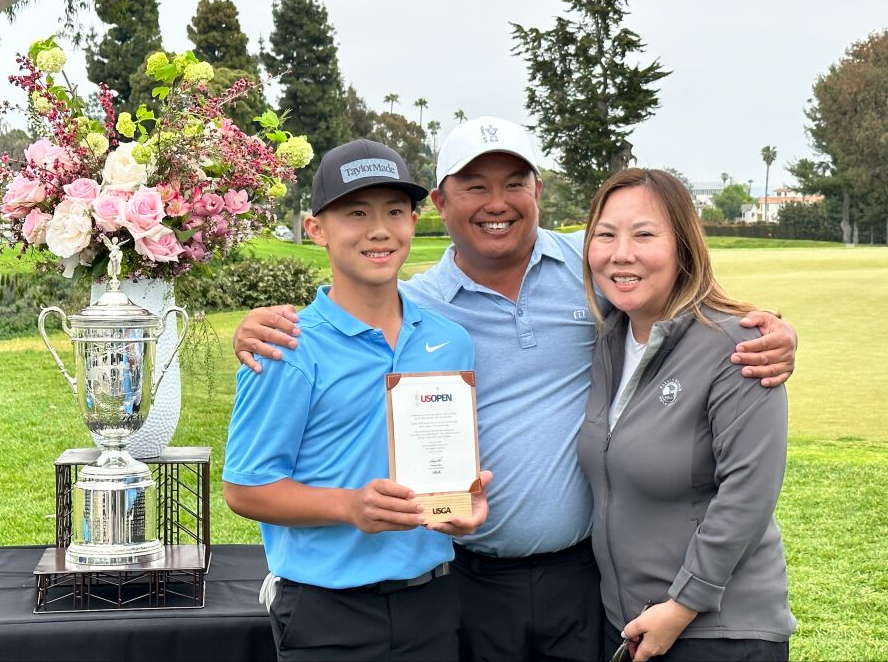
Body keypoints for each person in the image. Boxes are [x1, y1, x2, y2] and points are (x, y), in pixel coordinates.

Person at [234, 117, 798, 661]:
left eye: (514, 183)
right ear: (440, 203)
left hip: (584, 576)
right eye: (475, 186)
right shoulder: (421, 304)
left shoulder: (593, 263)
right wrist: (259, 325)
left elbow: (668, 282)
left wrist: (771, 327)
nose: (496, 202)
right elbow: (348, 297)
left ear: (538, 190)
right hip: (469, 579)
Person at [223, 139, 492, 662]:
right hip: (327, 614)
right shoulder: (285, 346)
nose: (379, 229)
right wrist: (349, 506)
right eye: (355, 213)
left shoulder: (449, 340)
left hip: (432, 600)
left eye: (395, 211)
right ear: (316, 228)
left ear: (414, 222)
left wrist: (464, 498)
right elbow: (246, 489)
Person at [577, 168, 795, 661]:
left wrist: (682, 604)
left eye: (645, 234)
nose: (621, 253)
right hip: (630, 627)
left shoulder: (739, 345)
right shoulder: (609, 341)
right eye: (605, 235)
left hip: (717, 633)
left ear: (683, 246)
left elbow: (748, 492)